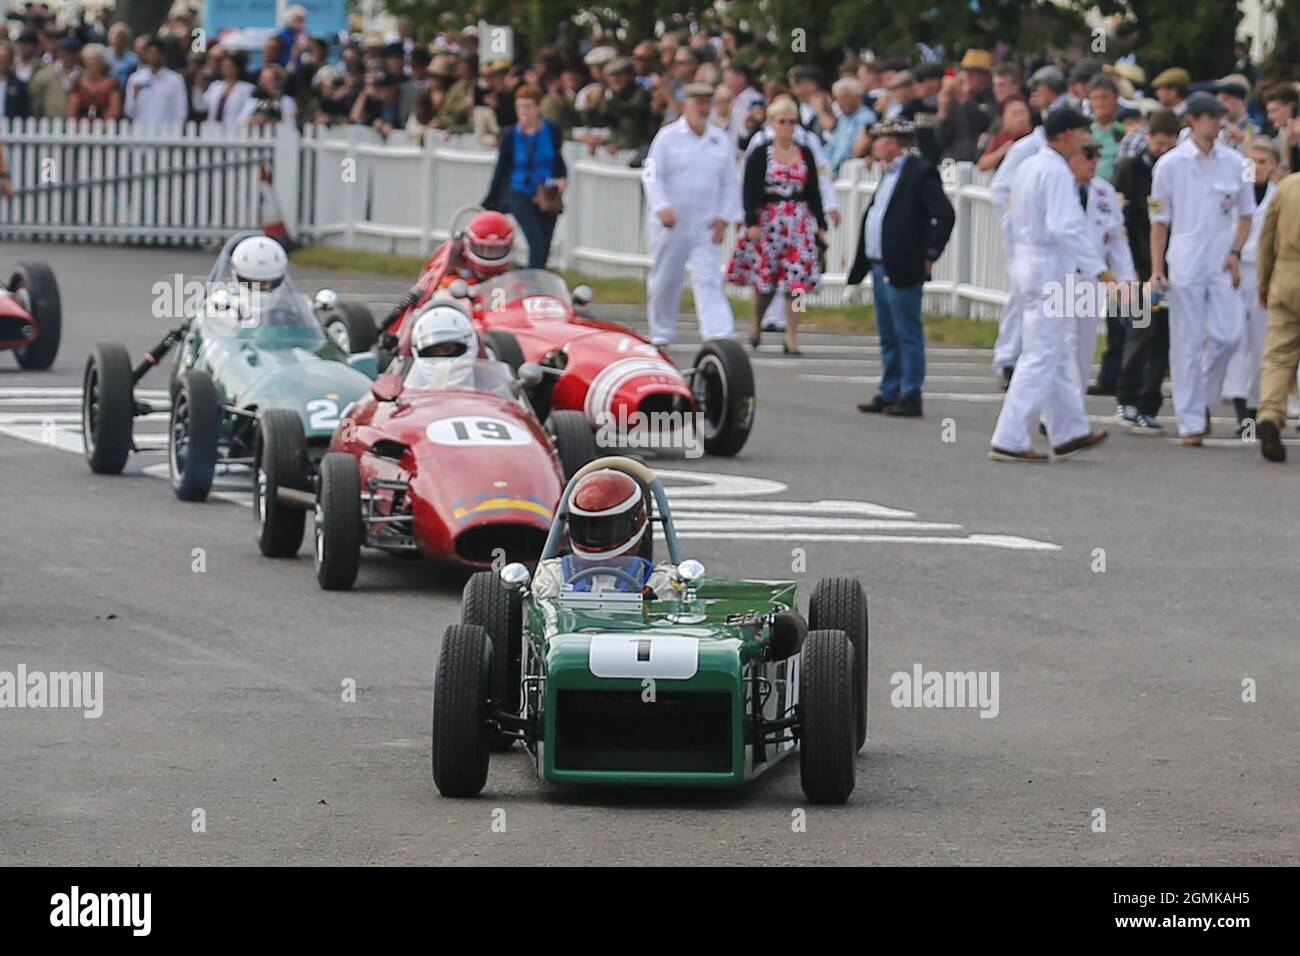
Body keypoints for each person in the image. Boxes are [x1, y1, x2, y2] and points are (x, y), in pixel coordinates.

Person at [989, 108, 1115, 462]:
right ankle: (1010, 437)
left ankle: (1069, 429)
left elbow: (1011, 216)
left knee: (1056, 351)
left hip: (1029, 261)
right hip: (1049, 266)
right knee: (1041, 354)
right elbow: (1066, 226)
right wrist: (1099, 271)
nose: (1085, 141)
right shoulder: (1056, 170)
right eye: (1081, 133)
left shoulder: (1029, 165)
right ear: (1066, 135)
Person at [1149, 91, 1255, 447]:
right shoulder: (1169, 165)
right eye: (1210, 116)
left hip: (1221, 260)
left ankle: (1202, 401)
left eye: (1219, 116)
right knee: (1186, 342)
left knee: (1230, 335)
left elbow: (1245, 215)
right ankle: (1190, 420)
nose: (1217, 121)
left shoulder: (1236, 162)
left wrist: (1236, 252)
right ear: (1192, 119)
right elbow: (1159, 221)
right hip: (1186, 260)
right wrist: (1156, 268)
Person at [848, 119, 955, 418]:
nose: (876, 144)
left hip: (903, 263)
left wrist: (930, 252)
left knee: (907, 331)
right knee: (888, 332)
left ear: (895, 143)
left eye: (881, 139)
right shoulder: (889, 173)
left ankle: (911, 391)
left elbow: (944, 214)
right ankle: (890, 388)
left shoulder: (919, 172)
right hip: (881, 262)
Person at [727, 96, 827, 355]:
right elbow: (749, 188)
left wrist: (821, 224)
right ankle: (757, 323)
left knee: (798, 284)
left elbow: (813, 190)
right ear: (773, 123)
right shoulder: (762, 152)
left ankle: (792, 334)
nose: (788, 127)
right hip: (769, 219)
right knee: (766, 282)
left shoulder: (804, 152)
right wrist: (750, 222)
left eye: (792, 122)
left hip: (799, 221)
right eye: (782, 121)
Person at [642, 82, 739, 347]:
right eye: (698, 103)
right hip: (672, 223)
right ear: (686, 105)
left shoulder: (719, 140)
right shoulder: (668, 137)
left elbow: (731, 182)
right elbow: (651, 175)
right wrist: (661, 207)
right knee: (666, 279)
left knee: (708, 277)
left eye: (707, 103)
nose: (703, 108)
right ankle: (661, 332)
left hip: (704, 224)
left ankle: (717, 333)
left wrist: (723, 217)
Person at [1113, 108, 1181, 434]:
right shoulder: (1129, 169)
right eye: (1160, 143)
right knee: (1140, 331)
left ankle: (1149, 403)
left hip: (1171, 266)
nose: (1164, 150)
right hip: (1138, 264)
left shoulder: (1178, 170)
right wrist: (1129, 268)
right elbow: (1120, 221)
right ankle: (1127, 397)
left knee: (1163, 337)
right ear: (1149, 138)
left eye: (1171, 144)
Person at [531, 469, 676, 600]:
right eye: (587, 527)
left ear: (634, 524)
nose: (593, 536)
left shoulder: (659, 582)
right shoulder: (553, 577)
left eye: (603, 528)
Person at [1069, 137, 1136, 399]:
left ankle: (1072, 410)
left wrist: (1127, 279)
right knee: (1062, 346)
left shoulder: (1104, 192)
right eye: (1087, 156)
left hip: (1092, 280)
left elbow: (1117, 239)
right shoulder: (1059, 186)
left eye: (1096, 156)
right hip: (1058, 278)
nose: (1093, 162)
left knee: (1084, 349)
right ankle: (1054, 413)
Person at [1222, 141, 1279, 434]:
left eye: (1263, 161)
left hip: (1263, 274)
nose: (1256, 167)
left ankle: (1256, 409)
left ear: (1274, 166)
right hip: (1232, 270)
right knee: (1233, 340)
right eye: (1251, 161)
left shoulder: (1281, 197)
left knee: (1260, 345)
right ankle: (1240, 410)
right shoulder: (1231, 193)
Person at [482, 84, 566, 270]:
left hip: (546, 193)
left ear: (538, 108)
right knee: (535, 242)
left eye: (528, 107)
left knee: (544, 245)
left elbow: (558, 159)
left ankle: (536, 280)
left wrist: (562, 179)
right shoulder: (511, 134)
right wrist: (489, 200)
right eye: (520, 107)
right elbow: (501, 168)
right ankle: (532, 284)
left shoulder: (551, 131)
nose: (523, 112)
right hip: (520, 191)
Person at [1255, 167, 1300, 462]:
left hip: (1287, 281)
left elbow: (1266, 239)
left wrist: (1263, 281)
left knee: (1278, 356)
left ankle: (1270, 414)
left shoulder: (1287, 186)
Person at [936, 49, 997, 162]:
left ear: (986, 76)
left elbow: (985, 124)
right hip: (950, 162)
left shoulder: (993, 99)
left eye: (974, 72)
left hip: (977, 163)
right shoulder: (955, 100)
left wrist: (963, 97)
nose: (968, 76)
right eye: (965, 71)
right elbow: (941, 140)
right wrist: (942, 111)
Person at [124, 38, 187, 127]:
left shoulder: (175, 80)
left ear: (163, 55)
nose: (153, 56)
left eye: (156, 53)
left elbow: (181, 111)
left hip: (167, 134)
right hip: (141, 134)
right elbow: (129, 112)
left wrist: (175, 132)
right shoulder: (135, 79)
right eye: (150, 53)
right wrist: (134, 96)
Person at [199, 50, 253, 129]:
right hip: (213, 131)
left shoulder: (248, 89)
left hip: (235, 132)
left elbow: (247, 113)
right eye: (223, 66)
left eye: (229, 66)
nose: (225, 69)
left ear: (237, 68)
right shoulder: (215, 86)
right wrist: (199, 88)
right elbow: (201, 106)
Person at [67, 44, 122, 120]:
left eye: (94, 61)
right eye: (87, 61)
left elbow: (115, 111)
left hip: (106, 129)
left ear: (102, 63)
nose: (90, 64)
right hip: (81, 128)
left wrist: (101, 125)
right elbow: (71, 112)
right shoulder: (78, 84)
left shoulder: (112, 85)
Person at [30, 36, 79, 120]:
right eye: (64, 52)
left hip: (75, 125)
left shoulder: (83, 75)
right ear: (59, 53)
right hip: (49, 124)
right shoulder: (44, 75)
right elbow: (36, 102)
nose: (68, 56)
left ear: (77, 54)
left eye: (71, 53)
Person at [977, 98, 1032, 171]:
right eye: (1015, 114)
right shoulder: (1001, 138)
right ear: (1005, 119)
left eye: (1023, 113)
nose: (1020, 118)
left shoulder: (1035, 138)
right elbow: (982, 165)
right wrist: (1002, 151)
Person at [0, 43, 33, 120]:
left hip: (11, 128)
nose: (1, 63)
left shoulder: (20, 85)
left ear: (10, 61)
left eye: (4, 59)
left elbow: (25, 112)